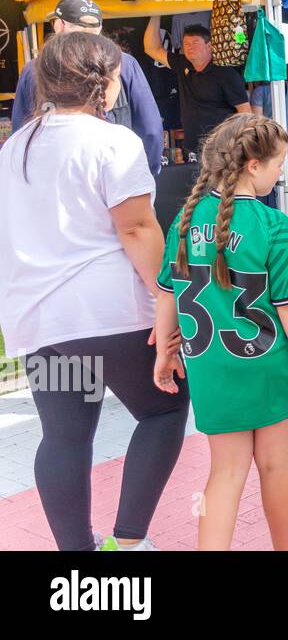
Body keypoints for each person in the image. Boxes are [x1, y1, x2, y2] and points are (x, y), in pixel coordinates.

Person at [0, 32, 188, 552]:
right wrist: (165, 302)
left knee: (64, 435)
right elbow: (137, 228)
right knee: (165, 409)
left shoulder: (14, 147)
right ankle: (129, 543)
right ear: (105, 85)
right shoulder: (112, 141)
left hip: (40, 319)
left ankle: (78, 556)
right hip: (108, 311)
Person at [153, 114, 288, 551]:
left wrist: (164, 353)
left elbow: (167, 292)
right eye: (279, 162)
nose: (281, 171)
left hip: (209, 365)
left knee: (225, 473)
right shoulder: (272, 224)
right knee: (276, 464)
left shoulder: (186, 218)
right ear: (253, 164)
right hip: (266, 364)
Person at [11, 0, 164, 174]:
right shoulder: (124, 63)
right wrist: (146, 173)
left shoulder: (35, 68)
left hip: (52, 175)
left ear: (59, 25)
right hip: (115, 172)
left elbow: (21, 130)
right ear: (99, 28)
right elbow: (151, 129)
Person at [144, 16, 251, 153]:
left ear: (209, 46)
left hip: (221, 148)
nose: (190, 48)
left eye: (195, 43)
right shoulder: (183, 64)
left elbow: (245, 112)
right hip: (192, 146)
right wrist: (155, 13)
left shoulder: (225, 73)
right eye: (186, 44)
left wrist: (242, 146)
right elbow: (152, 48)